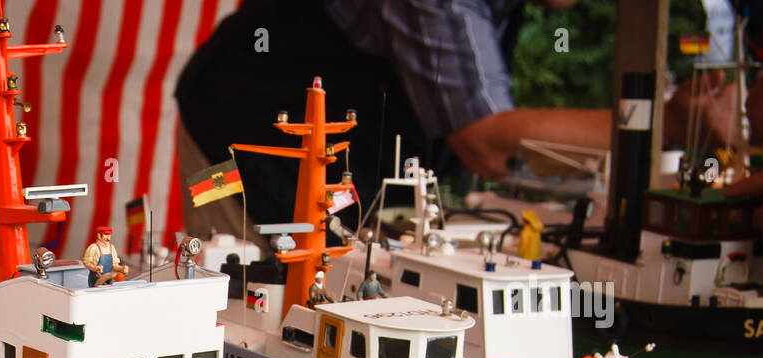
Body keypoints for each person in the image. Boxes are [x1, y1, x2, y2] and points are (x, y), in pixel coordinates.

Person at [175, 0, 740, 239]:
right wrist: (664, 126)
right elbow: (486, 141)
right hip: (238, 146)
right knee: (256, 319)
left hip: (339, 166)